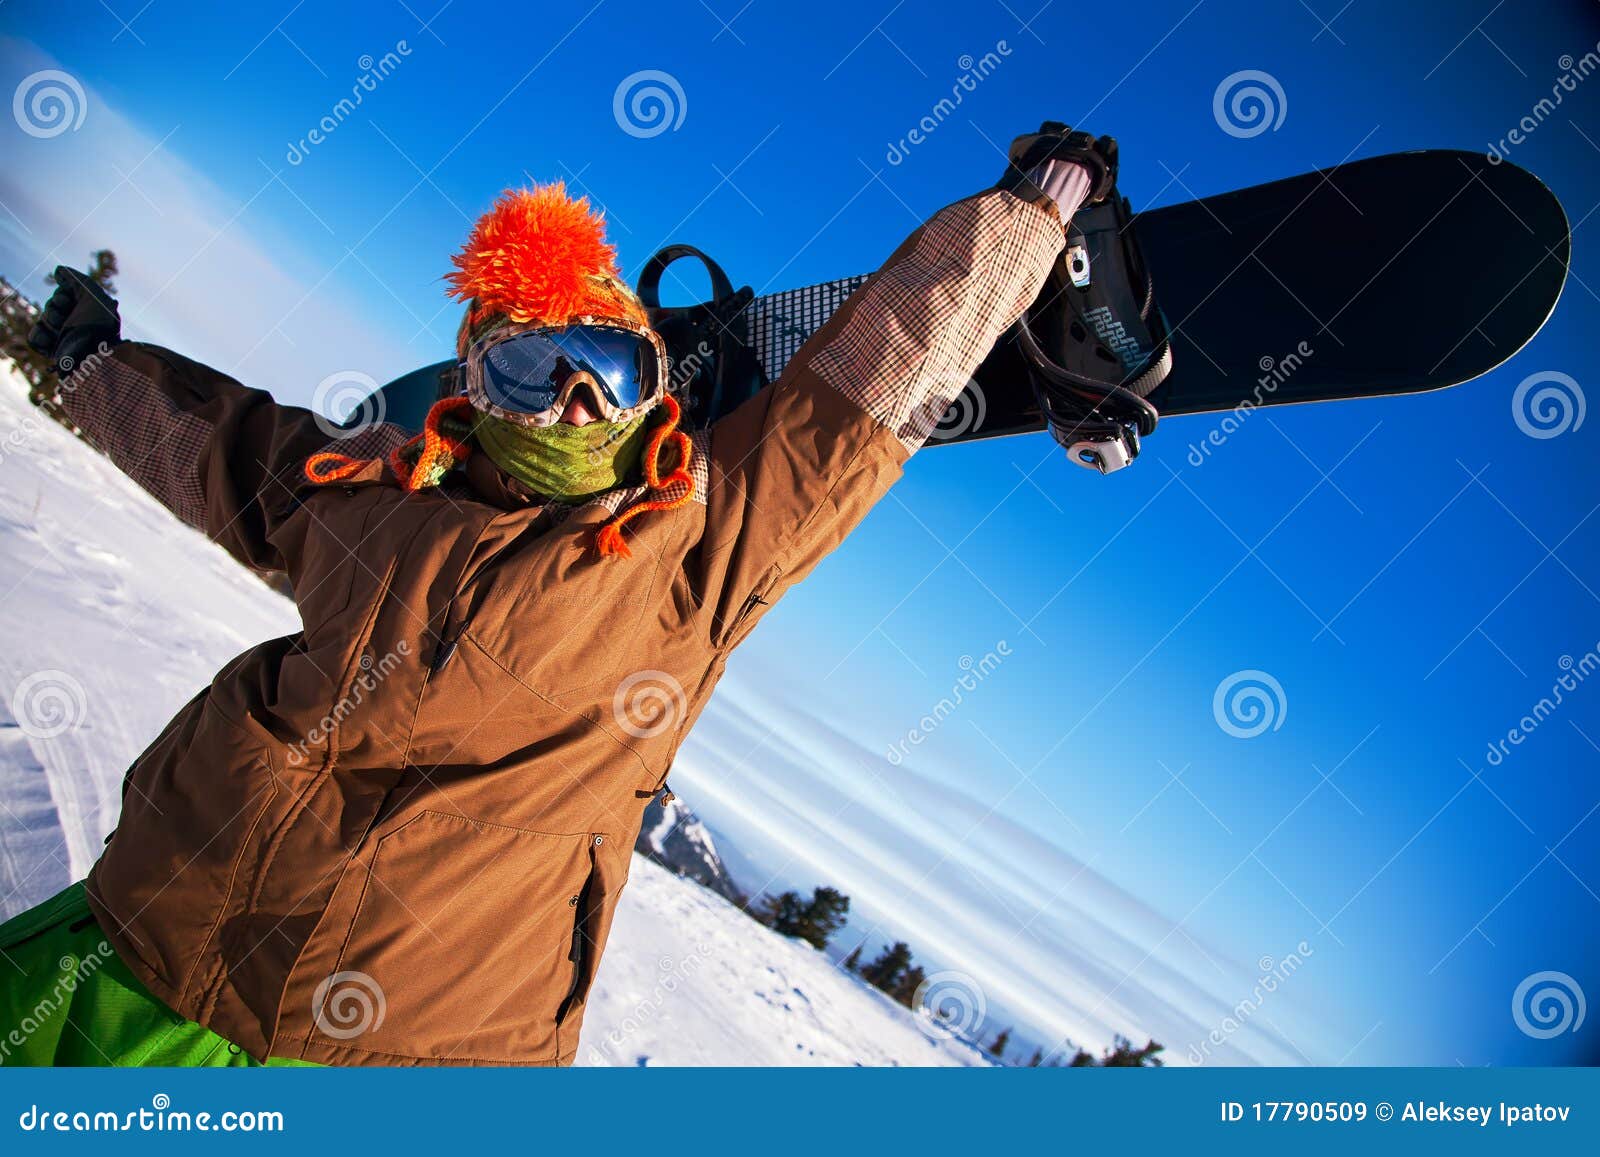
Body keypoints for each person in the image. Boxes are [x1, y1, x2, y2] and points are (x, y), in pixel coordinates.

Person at [2, 125, 1130, 1066]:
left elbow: (853, 399)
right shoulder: (370, 496)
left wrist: (1020, 224)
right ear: (475, 388)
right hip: (129, 946)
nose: (580, 401)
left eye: (613, 368)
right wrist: (96, 366)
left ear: (651, 393)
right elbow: (227, 452)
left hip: (391, 1054)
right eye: (534, 372)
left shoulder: (692, 556)